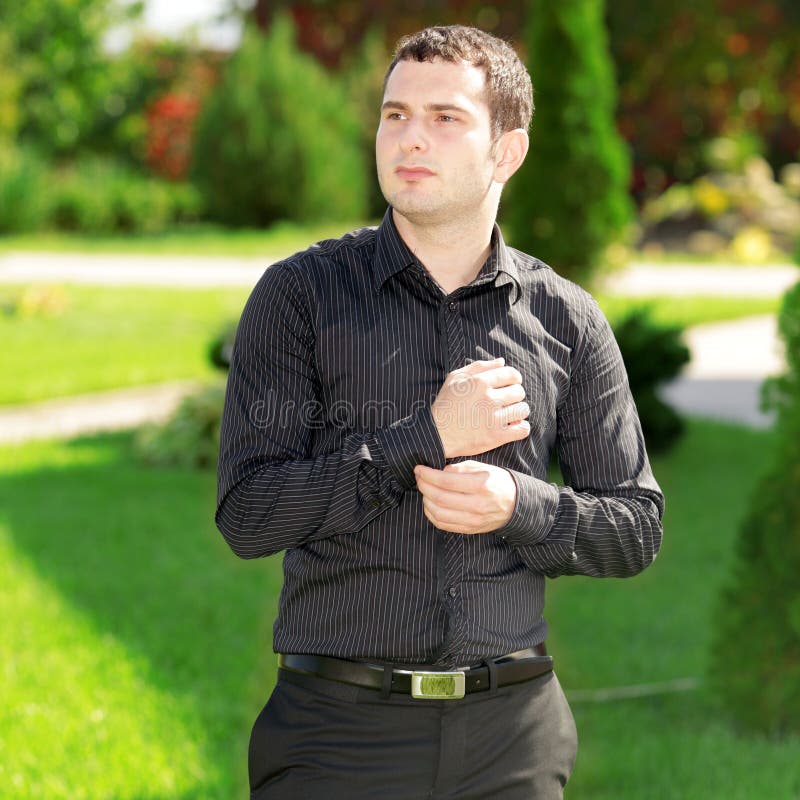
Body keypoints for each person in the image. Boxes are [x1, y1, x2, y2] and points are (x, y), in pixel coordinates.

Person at [216, 24, 664, 800]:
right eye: (395, 115)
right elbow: (249, 513)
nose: (409, 137)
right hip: (337, 737)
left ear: (507, 152)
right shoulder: (300, 298)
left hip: (512, 740)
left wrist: (520, 505)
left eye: (444, 118)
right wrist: (423, 439)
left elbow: (636, 528)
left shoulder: (567, 319)